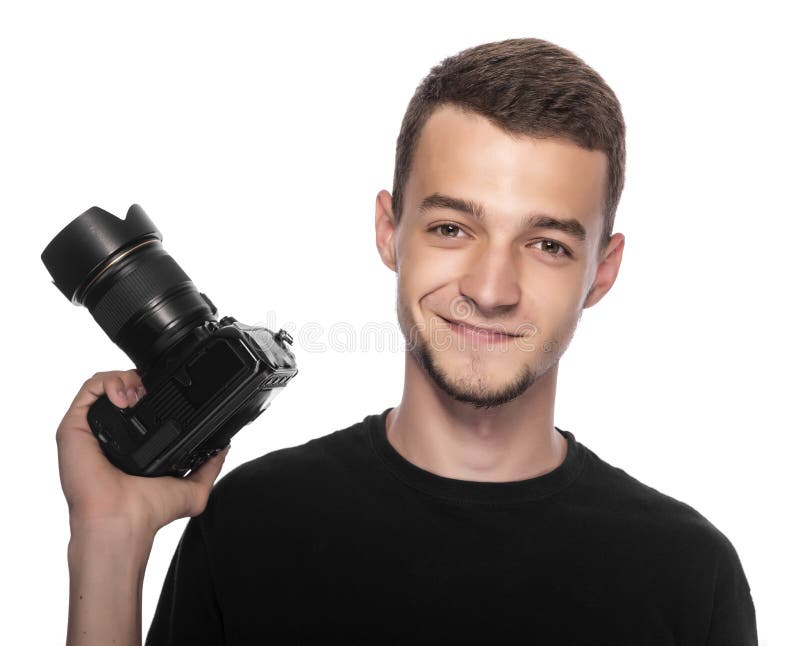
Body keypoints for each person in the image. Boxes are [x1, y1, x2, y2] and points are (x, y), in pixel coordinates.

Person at [57, 37, 758, 645]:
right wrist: (109, 542)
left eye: (546, 244)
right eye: (452, 228)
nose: (490, 288)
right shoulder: (250, 527)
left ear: (601, 273)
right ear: (389, 231)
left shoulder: (691, 574)